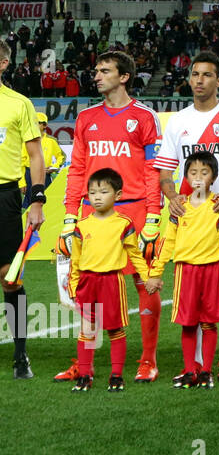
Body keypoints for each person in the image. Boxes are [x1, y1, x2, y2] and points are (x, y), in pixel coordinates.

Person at [55, 51, 162, 384]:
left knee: (144, 282)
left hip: (134, 207)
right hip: (93, 213)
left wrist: (154, 216)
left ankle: (148, 359)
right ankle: (83, 364)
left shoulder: (144, 117)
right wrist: (71, 215)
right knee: (86, 285)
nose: (97, 76)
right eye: (96, 71)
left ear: (124, 76)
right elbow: (77, 170)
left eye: (104, 71)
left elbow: (152, 169)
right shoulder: (86, 118)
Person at [154, 52, 219, 383]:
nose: (199, 80)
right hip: (191, 222)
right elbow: (166, 172)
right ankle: (196, 364)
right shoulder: (177, 121)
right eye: (195, 74)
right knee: (195, 295)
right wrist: (171, 198)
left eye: (207, 75)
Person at [155, 151, 219, 389]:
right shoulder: (179, 207)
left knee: (208, 323)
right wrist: (156, 272)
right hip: (185, 272)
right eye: (193, 172)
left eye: (204, 173)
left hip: (212, 271)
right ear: (185, 177)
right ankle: (190, 370)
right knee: (188, 323)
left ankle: (206, 371)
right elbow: (168, 242)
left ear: (213, 178)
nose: (198, 177)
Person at [65, 168, 151, 391]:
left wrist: (147, 277)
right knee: (87, 329)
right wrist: (73, 285)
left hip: (112, 282)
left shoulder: (124, 223)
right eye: (92, 193)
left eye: (103, 192)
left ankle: (116, 375)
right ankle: (85, 375)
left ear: (118, 195)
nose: (97, 197)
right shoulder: (81, 226)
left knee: (115, 329)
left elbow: (134, 254)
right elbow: (75, 259)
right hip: (87, 282)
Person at [0, 40, 45, 380]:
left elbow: (36, 156)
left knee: (9, 276)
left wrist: (37, 200)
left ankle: (20, 356)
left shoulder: (20, 104)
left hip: (5, 196)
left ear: (4, 64)